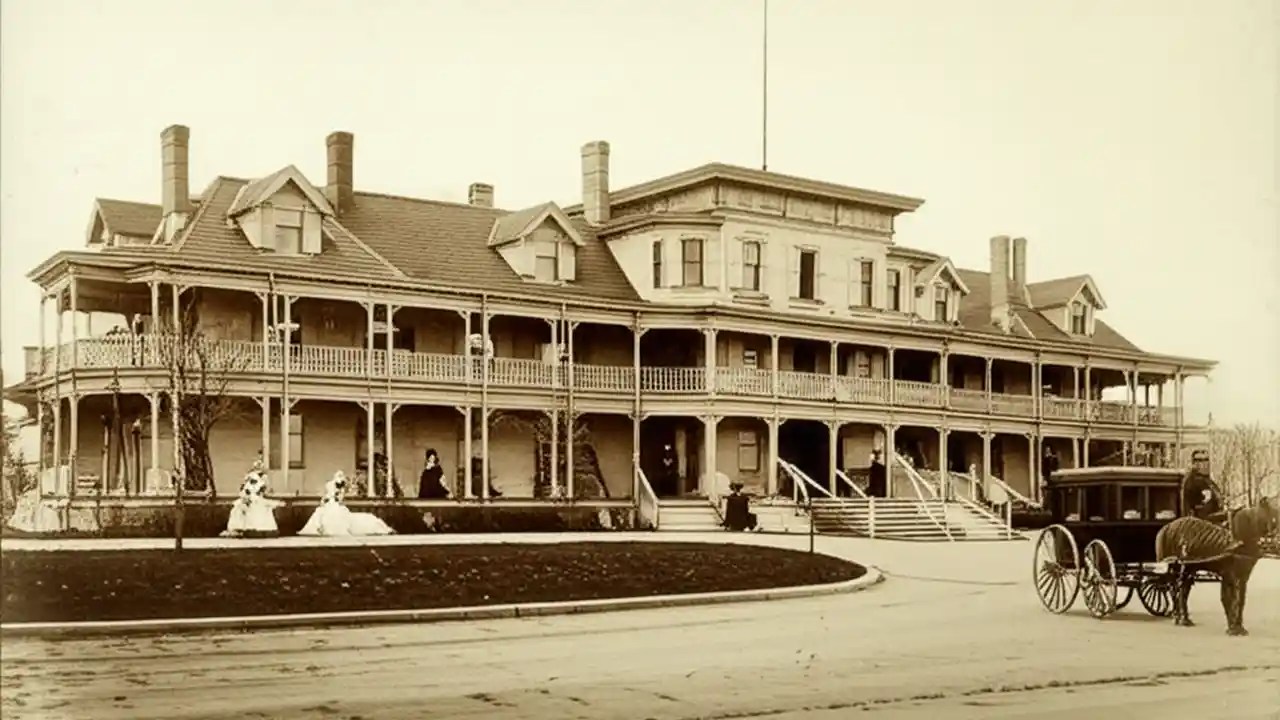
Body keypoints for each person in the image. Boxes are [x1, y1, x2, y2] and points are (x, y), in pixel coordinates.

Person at [298, 471, 395, 536]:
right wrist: (328, 500)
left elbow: (336, 499)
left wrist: (332, 499)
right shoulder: (332, 489)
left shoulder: (338, 491)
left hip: (333, 505)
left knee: (334, 515)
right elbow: (328, 498)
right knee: (323, 514)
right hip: (331, 505)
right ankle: (321, 528)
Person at [221, 463, 281, 538]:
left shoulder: (262, 479)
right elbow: (247, 488)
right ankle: (239, 529)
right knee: (239, 510)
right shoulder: (252, 477)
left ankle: (257, 529)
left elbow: (262, 490)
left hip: (256, 498)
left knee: (260, 509)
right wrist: (246, 496)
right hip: (251, 497)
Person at [1181, 449, 1225, 521]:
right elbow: (1194, 510)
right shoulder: (1192, 481)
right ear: (1194, 463)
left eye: (1206, 459)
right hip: (1201, 525)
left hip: (1215, 523)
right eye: (1200, 460)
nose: (1205, 463)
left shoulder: (1209, 482)